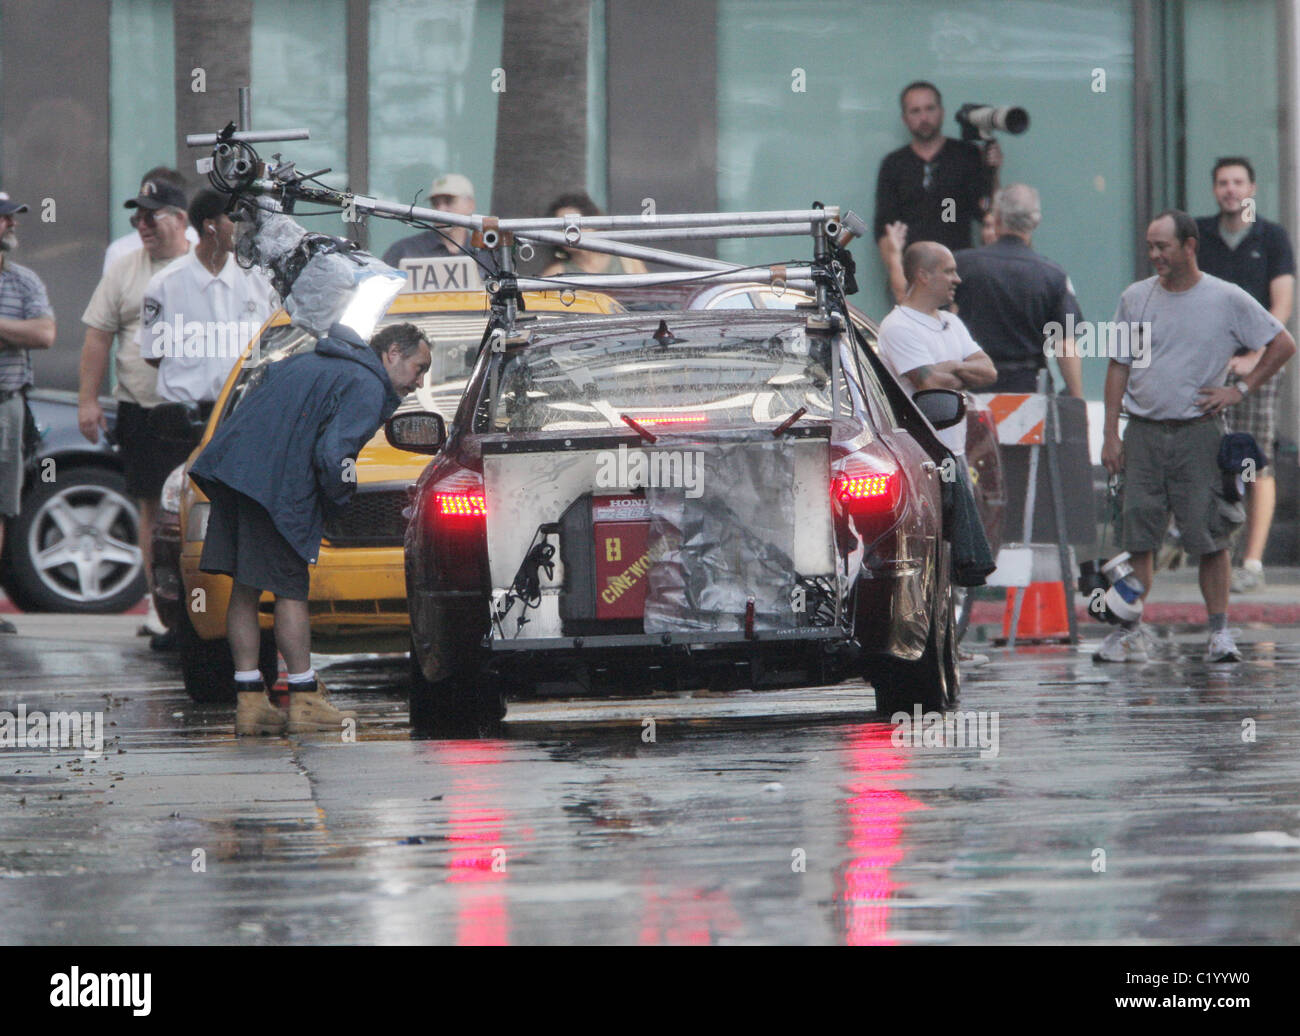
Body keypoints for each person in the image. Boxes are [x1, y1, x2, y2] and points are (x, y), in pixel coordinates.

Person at [188, 322, 431, 735]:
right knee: (289, 590)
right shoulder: (366, 384)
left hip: (233, 476)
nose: (419, 380)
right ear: (392, 353)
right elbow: (334, 453)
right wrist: (339, 498)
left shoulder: (308, 361)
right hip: (274, 488)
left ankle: (250, 701)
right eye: (418, 367)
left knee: (246, 587)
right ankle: (303, 698)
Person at [1097, 210, 1296, 664]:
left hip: (1199, 434)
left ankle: (1219, 633)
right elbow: (1118, 366)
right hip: (1144, 433)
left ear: (1189, 246)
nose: (1154, 255)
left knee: (1210, 537)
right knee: (1139, 537)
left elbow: (1282, 343)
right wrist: (1110, 433)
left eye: (1162, 246)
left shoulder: (1225, 298)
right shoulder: (1135, 298)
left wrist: (1239, 388)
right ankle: (1130, 629)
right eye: (1150, 247)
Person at [78, 175, 191, 643]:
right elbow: (97, 336)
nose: (142, 225)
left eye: (151, 215)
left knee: (195, 509)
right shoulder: (124, 268)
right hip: (141, 407)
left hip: (195, 410)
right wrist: (87, 399)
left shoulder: (203, 266)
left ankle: (201, 603)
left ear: (181, 220)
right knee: (151, 508)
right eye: (136, 217)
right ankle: (158, 604)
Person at [1194, 157, 1296, 593]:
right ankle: (1210, 549)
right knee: (1201, 456)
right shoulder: (1198, 235)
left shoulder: (1271, 237)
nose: (1230, 190)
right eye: (1222, 183)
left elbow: (1282, 303)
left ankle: (1251, 561)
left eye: (1238, 182)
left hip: (1260, 362)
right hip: (1206, 364)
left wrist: (1256, 355)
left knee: (1255, 458)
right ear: (1214, 189)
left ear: (1252, 188)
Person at [140, 188, 278, 409]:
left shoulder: (257, 279)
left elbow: (275, 343)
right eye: (233, 219)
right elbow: (153, 354)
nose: (242, 228)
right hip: (188, 414)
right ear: (210, 226)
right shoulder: (165, 284)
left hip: (246, 409)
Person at [874, 81, 1001, 304]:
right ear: (905, 118)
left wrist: (994, 171)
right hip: (913, 277)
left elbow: (989, 215)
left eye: (930, 108)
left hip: (959, 275)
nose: (924, 117)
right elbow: (885, 230)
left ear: (941, 112)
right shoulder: (894, 164)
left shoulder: (967, 156)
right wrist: (898, 280)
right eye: (916, 111)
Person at [953, 184, 1085, 396]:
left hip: (971, 381)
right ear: (1035, 222)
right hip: (1028, 388)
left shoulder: (962, 265)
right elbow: (1065, 347)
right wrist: (1077, 400)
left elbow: (940, 320)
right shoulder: (1052, 275)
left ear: (997, 219)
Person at [0, 191, 57, 635]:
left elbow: (44, 333)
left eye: (13, 218)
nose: (12, 225)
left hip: (7, 404)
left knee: (2, 508)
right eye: (4, 219)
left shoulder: (24, 282)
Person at [382, 173, 489, 268]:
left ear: (470, 205)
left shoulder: (487, 254)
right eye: (435, 203)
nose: (441, 209)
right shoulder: (404, 251)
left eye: (449, 201)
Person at [103, 167, 198, 274]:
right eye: (137, 219)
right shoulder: (120, 252)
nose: (142, 226)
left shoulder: (203, 249)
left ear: (178, 218)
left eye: (150, 218)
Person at [540, 191, 648, 276]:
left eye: (574, 225)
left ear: (592, 224)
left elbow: (648, 297)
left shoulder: (627, 261)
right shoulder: (555, 273)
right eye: (561, 227)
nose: (567, 232)